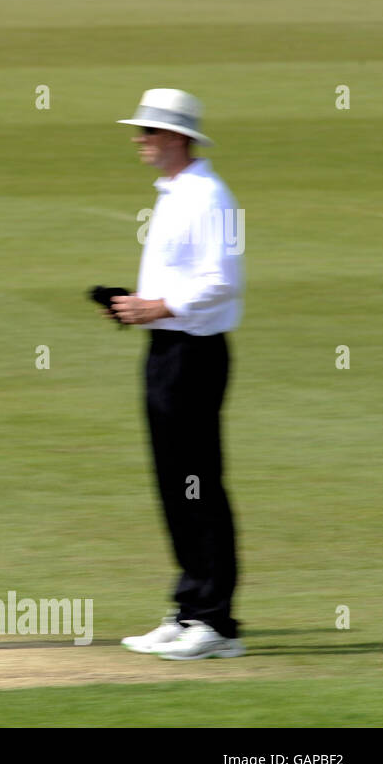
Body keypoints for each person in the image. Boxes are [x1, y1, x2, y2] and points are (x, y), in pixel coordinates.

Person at [110, 89, 246, 660]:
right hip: (168, 351)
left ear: (176, 138)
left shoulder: (210, 196)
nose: (139, 140)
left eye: (148, 131)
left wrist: (157, 307)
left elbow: (224, 279)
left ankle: (215, 623)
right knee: (174, 482)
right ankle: (190, 608)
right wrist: (134, 305)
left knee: (197, 482)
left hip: (194, 351)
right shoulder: (175, 193)